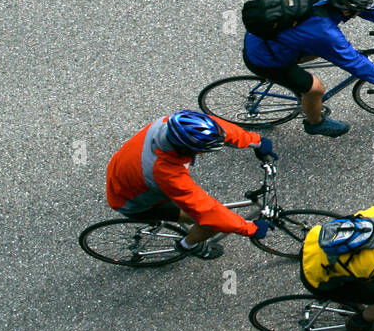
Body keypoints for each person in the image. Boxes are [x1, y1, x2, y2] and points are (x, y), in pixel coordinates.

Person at [242, 0, 374, 138]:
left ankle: (300, 87)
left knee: (329, 50)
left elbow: (360, 5)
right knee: (316, 89)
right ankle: (315, 124)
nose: (359, 13)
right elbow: (353, 62)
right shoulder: (324, 33)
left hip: (266, 39)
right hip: (265, 58)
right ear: (345, 10)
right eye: (356, 11)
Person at [105, 110, 277, 259]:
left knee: (213, 214)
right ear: (185, 149)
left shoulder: (172, 123)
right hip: (131, 201)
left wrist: (255, 141)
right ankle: (188, 245)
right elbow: (209, 212)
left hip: (124, 173)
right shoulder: (165, 172)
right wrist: (250, 228)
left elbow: (217, 128)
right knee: (209, 223)